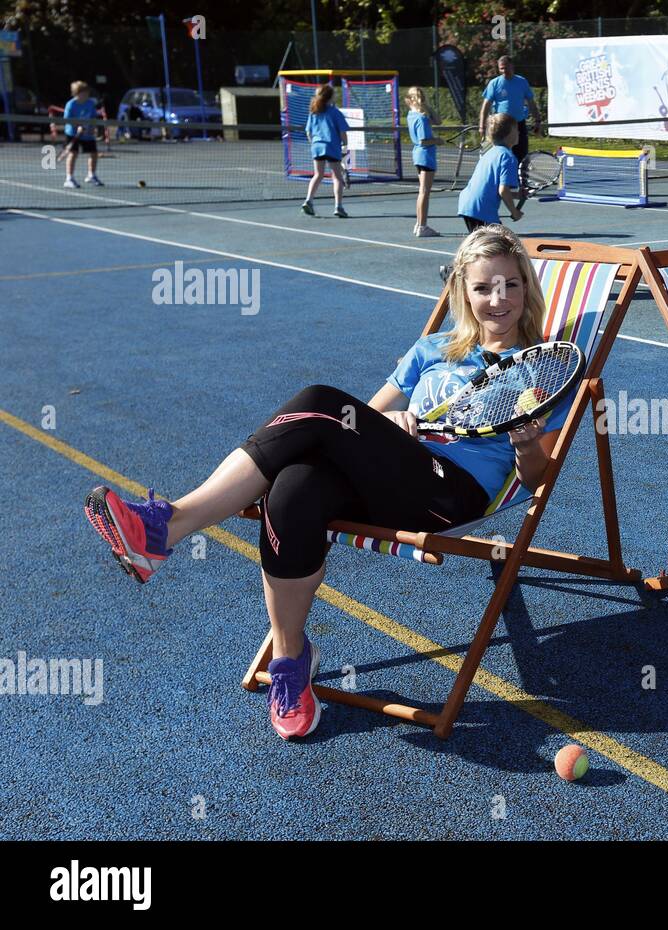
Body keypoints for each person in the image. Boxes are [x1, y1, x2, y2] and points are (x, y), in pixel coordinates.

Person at [83, 225, 563, 740]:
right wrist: (393, 424)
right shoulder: (432, 349)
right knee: (293, 488)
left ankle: (167, 528)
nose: (499, 298)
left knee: (316, 398)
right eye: (485, 286)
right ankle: (291, 661)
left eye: (512, 285)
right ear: (462, 293)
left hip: (449, 495)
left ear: (526, 289)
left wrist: (524, 443)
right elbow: (365, 418)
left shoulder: (543, 365)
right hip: (389, 479)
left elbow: (539, 479)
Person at [457, 113, 523, 234]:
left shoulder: (491, 152)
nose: (519, 133)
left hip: (469, 204)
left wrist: (517, 195)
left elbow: (493, 188)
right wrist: (514, 212)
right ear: (509, 134)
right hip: (481, 209)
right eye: (516, 130)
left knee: (485, 245)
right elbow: (503, 191)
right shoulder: (508, 157)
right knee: (498, 244)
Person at [301, 84, 351, 218]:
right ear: (330, 97)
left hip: (317, 146)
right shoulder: (335, 112)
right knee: (337, 178)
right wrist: (345, 145)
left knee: (318, 175)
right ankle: (338, 206)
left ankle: (308, 201)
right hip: (331, 146)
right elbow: (342, 132)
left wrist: (314, 143)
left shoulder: (314, 112)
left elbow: (308, 132)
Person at [479, 55, 534, 165]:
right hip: (501, 126)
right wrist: (482, 126)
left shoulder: (522, 82)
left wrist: (537, 119)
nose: (504, 71)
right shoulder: (494, 83)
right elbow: (486, 106)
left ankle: (521, 180)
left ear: (512, 66)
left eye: (506, 67)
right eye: (501, 68)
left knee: (521, 155)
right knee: (502, 154)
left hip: (519, 124)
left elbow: (531, 102)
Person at [405, 86, 441, 238]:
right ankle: (422, 226)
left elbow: (438, 121)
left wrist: (427, 108)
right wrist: (438, 140)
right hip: (425, 155)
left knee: (422, 191)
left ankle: (419, 223)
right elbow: (423, 140)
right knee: (424, 192)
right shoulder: (421, 118)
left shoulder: (411, 115)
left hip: (419, 155)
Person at [62, 81, 102, 189]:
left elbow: (94, 117)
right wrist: (77, 126)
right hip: (72, 133)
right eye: (83, 92)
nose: (86, 94)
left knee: (93, 153)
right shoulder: (71, 104)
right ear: (77, 93)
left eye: (87, 92)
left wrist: (92, 128)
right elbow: (67, 119)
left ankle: (91, 175)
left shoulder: (90, 103)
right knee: (73, 154)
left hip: (87, 133)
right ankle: (69, 179)